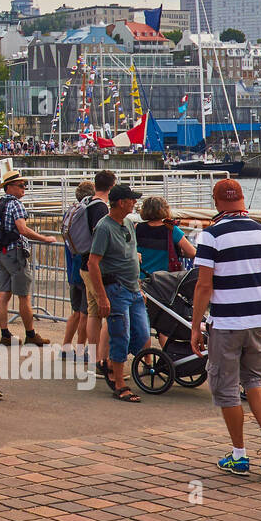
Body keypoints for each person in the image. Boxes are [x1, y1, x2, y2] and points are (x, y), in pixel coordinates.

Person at [190, 179, 261, 477]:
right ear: (242, 201)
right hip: (258, 320)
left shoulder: (211, 236)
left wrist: (195, 327)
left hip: (227, 323)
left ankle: (239, 455)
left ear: (217, 203)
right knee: (255, 380)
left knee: (226, 387)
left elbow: (204, 286)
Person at [84, 184, 149, 402]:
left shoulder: (129, 223)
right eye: (131, 199)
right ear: (121, 202)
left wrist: (139, 286)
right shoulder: (104, 227)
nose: (134, 202)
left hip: (132, 289)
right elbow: (93, 263)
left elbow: (131, 256)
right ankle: (119, 383)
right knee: (121, 335)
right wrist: (102, 296)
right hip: (116, 289)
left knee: (142, 335)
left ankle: (111, 363)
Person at [0, 168, 58, 346]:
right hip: (15, 254)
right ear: (9, 187)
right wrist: (44, 238)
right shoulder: (15, 205)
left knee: (3, 295)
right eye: (21, 185)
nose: (24, 189)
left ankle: (5, 334)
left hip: (1, 253)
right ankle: (31, 334)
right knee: (24, 296)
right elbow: (22, 229)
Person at [78, 170, 115, 378]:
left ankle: (93, 361)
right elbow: (101, 235)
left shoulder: (87, 202)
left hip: (83, 264)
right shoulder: (101, 207)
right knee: (107, 312)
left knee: (93, 313)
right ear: (112, 186)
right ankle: (102, 361)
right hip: (95, 266)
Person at [59, 181, 94, 361]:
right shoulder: (87, 214)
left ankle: (65, 347)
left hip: (72, 269)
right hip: (84, 269)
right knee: (86, 313)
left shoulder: (70, 212)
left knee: (75, 312)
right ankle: (80, 351)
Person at [136, 196, 197, 276]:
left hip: (140, 279)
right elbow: (192, 253)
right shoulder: (171, 229)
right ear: (165, 209)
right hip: (163, 281)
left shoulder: (137, 228)